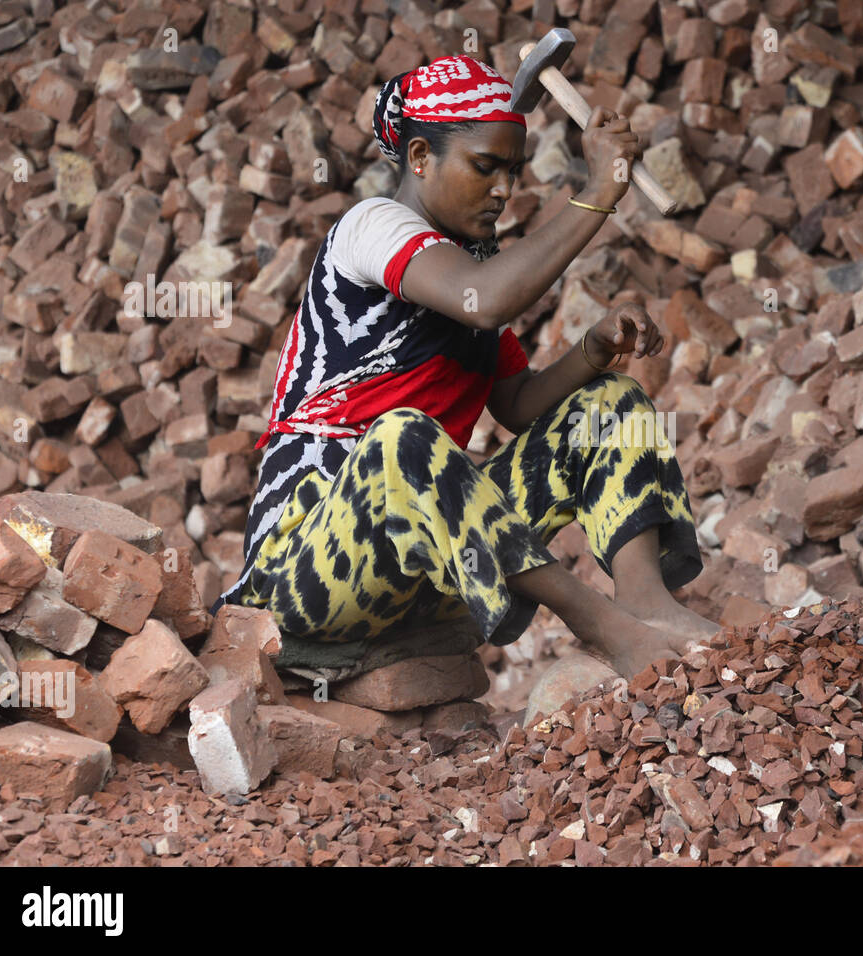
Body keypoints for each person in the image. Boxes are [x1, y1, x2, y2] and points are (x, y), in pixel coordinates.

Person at [212, 55, 720, 689]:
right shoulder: (373, 228)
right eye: (486, 167)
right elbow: (487, 298)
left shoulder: (466, 264)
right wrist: (597, 193)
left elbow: (516, 404)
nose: (504, 190)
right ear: (420, 157)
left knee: (610, 403)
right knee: (402, 439)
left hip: (419, 563)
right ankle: (604, 627)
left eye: (513, 169)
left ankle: (649, 603)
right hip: (307, 573)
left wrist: (592, 351)